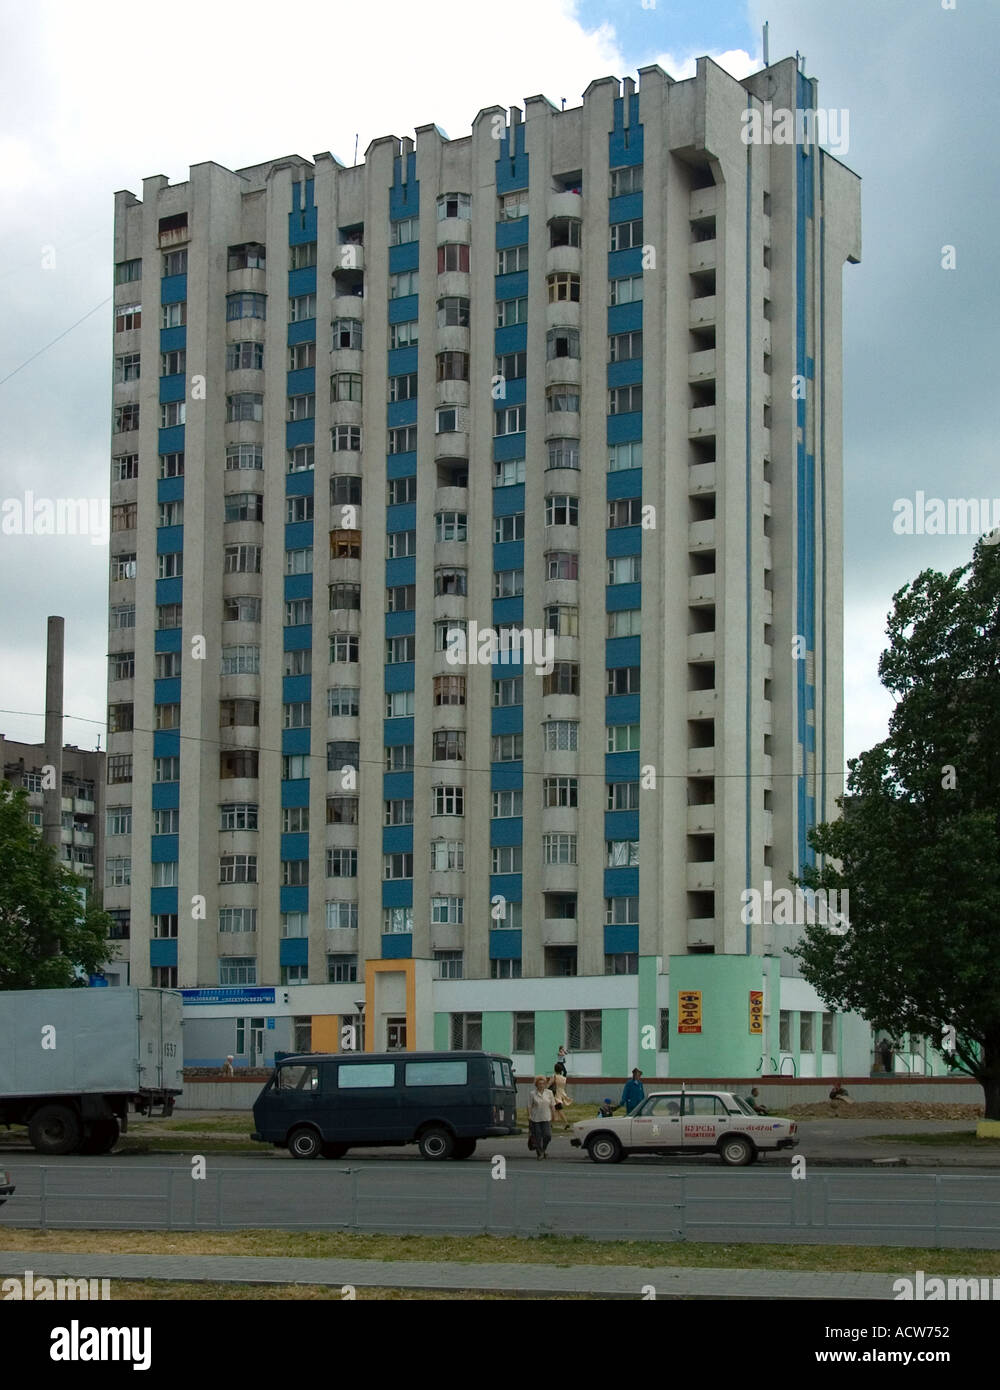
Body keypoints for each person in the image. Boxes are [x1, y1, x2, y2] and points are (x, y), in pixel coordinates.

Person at [527, 1075, 556, 1158]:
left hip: (546, 1117)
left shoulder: (549, 1093)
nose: (541, 1085)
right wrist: (529, 1115)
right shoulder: (532, 1093)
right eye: (539, 1083)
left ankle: (543, 1149)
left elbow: (552, 1105)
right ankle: (540, 1153)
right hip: (535, 1118)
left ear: (545, 1084)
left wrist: (554, 1115)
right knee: (538, 1137)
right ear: (536, 1084)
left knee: (548, 1135)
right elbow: (529, 1105)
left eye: (543, 1083)